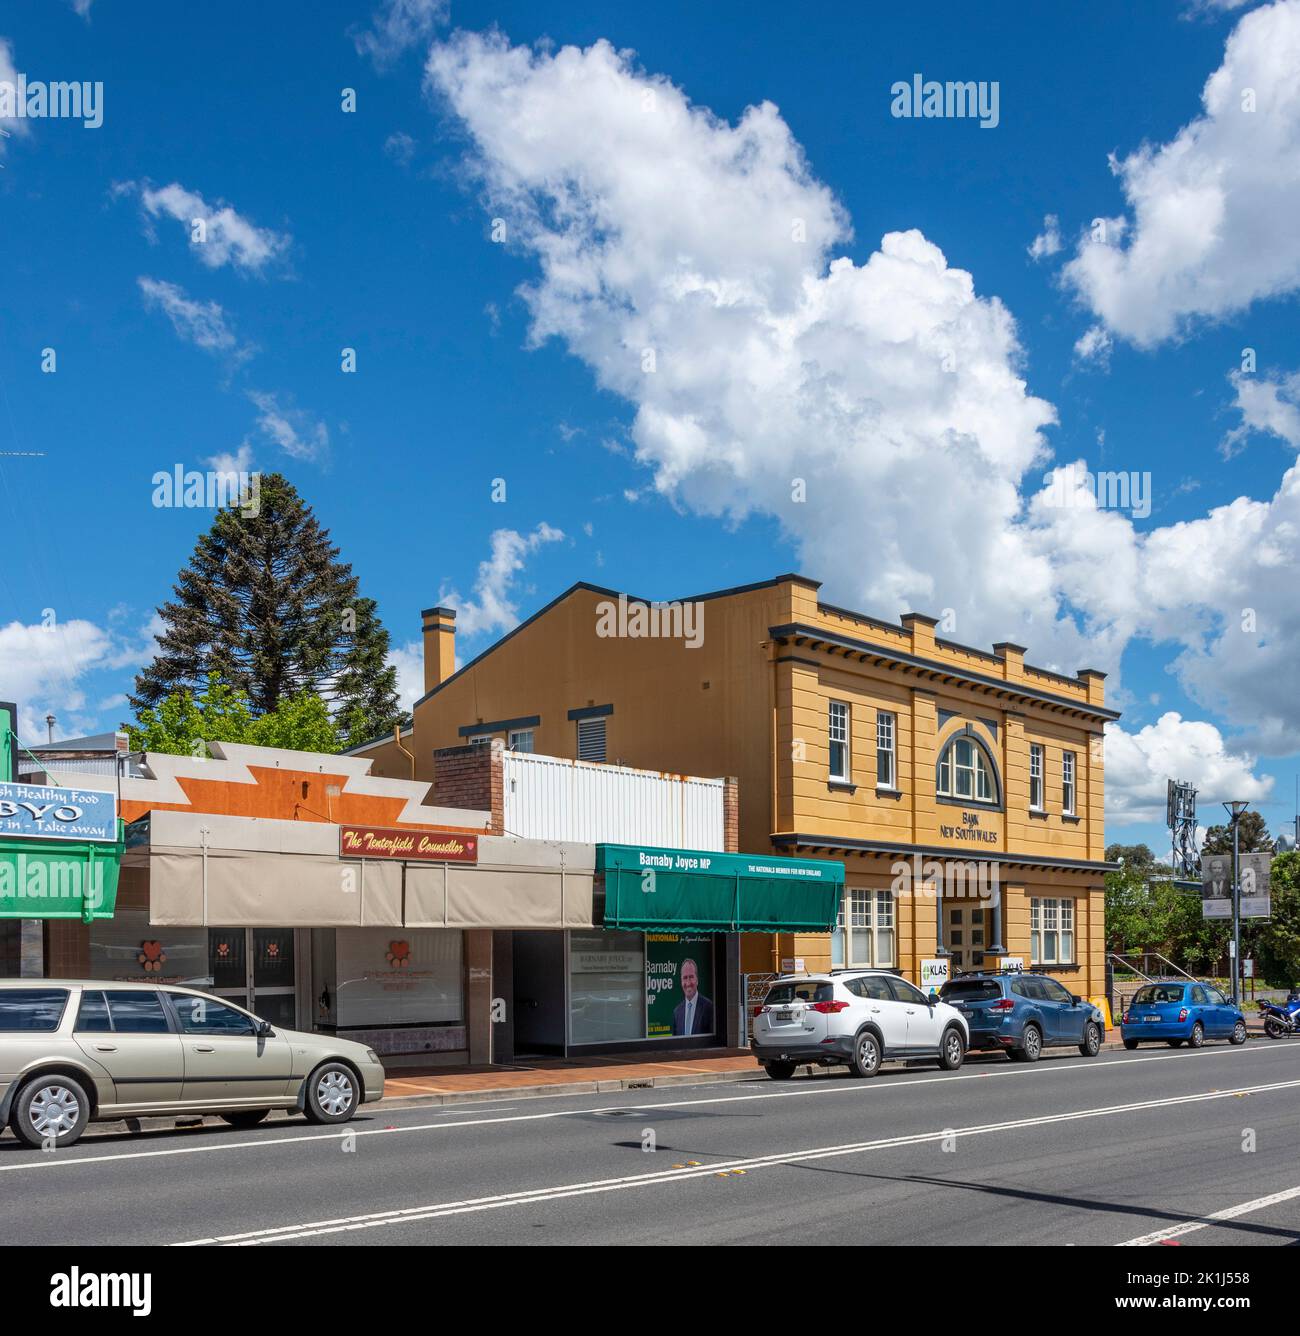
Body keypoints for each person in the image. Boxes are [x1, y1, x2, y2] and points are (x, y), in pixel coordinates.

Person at [671, 958, 714, 1036]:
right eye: (685, 978)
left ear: (697, 979)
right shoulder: (677, 1013)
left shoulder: (709, 1008)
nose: (688, 983)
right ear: (681, 981)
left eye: (691, 977)